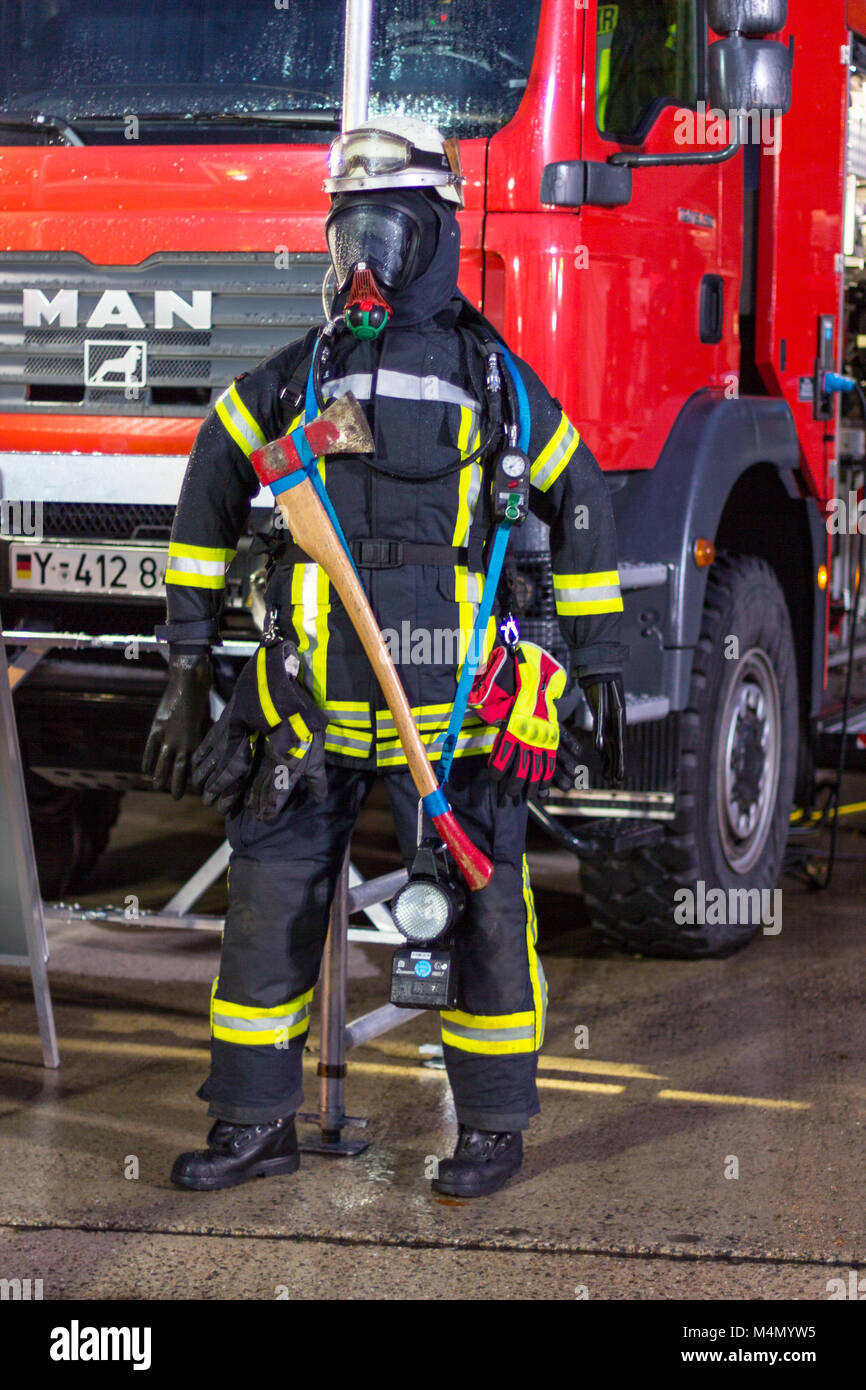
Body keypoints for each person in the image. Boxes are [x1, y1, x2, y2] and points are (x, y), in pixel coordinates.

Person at [142, 116, 627, 1198]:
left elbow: (580, 496)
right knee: (269, 911)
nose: (363, 257)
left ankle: (492, 1127)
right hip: (305, 707)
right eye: (345, 229)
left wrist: (594, 666)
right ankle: (253, 1123)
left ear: (435, 234)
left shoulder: (492, 380)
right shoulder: (294, 382)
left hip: (454, 720)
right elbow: (208, 495)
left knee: (483, 910)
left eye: (386, 228)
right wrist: (186, 663)